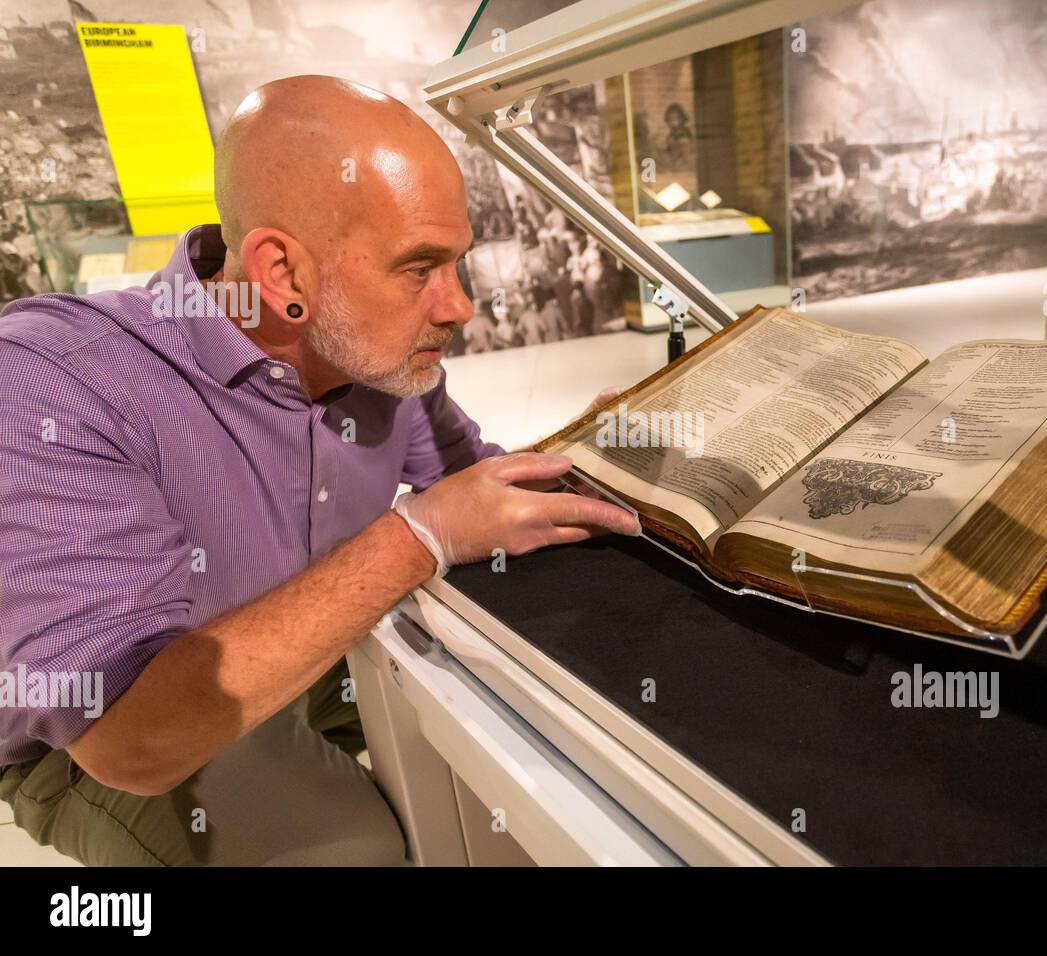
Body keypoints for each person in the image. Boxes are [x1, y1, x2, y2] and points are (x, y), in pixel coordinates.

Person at [0, 75, 638, 866]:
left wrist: (609, 454)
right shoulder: (50, 378)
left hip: (323, 658)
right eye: (420, 268)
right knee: (353, 854)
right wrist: (415, 535)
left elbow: (483, 486)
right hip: (90, 745)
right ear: (284, 274)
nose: (460, 306)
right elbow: (133, 740)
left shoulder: (376, 358)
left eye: (457, 264)